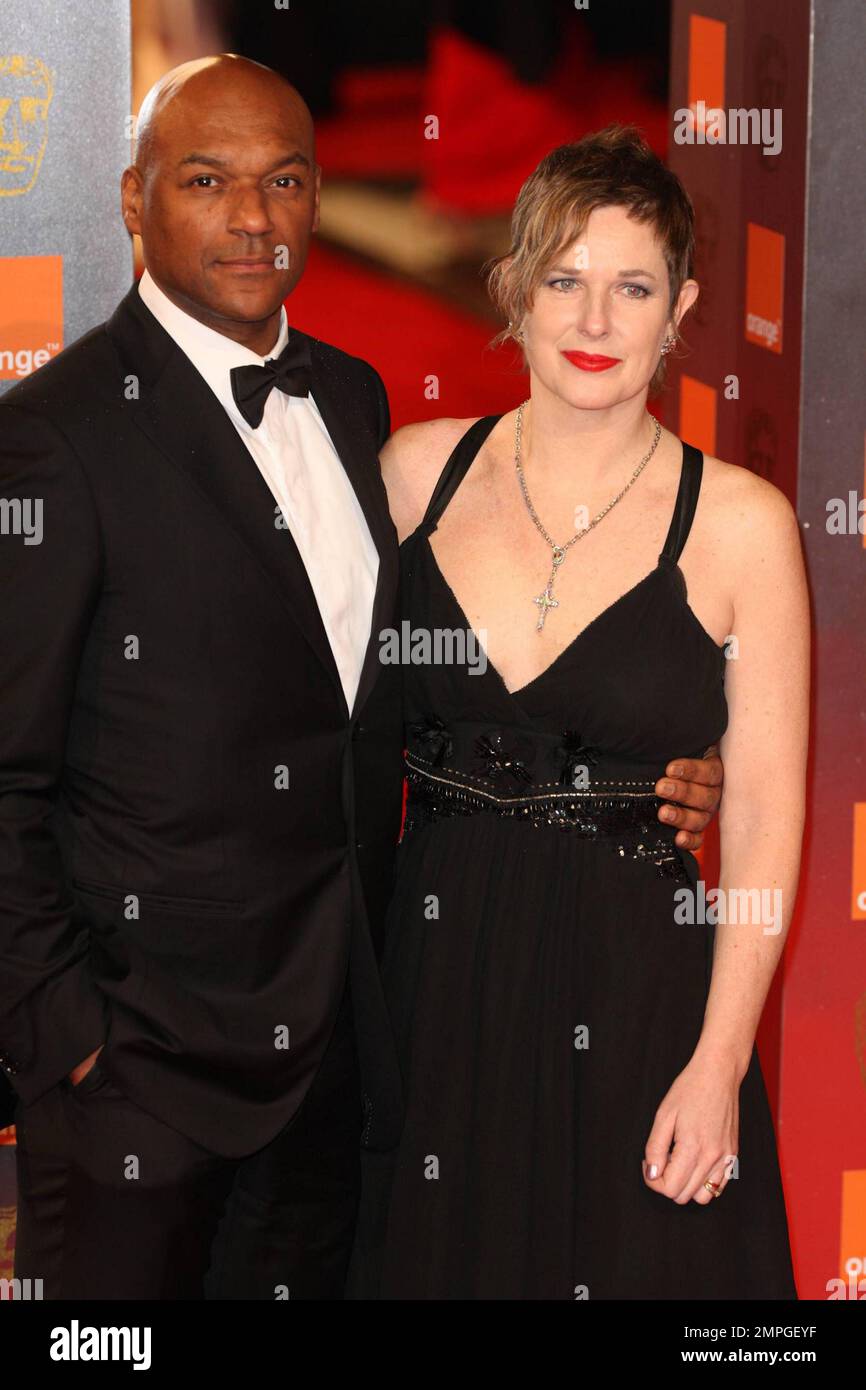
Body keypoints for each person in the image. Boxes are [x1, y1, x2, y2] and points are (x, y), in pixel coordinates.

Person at [0, 56, 722, 1299]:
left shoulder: (349, 400)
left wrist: (634, 763)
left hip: (344, 1052)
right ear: (131, 200)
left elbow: (416, 693)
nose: (250, 217)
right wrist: (75, 1043)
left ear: (321, 198)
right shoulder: (55, 435)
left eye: (283, 181)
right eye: (206, 181)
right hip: (143, 1081)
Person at [347, 126, 808, 1300]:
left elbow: (758, 816)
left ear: (681, 308)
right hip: (433, 987)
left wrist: (717, 1065)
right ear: (511, 291)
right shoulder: (415, 475)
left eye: (631, 288)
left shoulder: (742, 526)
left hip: (636, 997)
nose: (594, 322)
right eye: (563, 280)